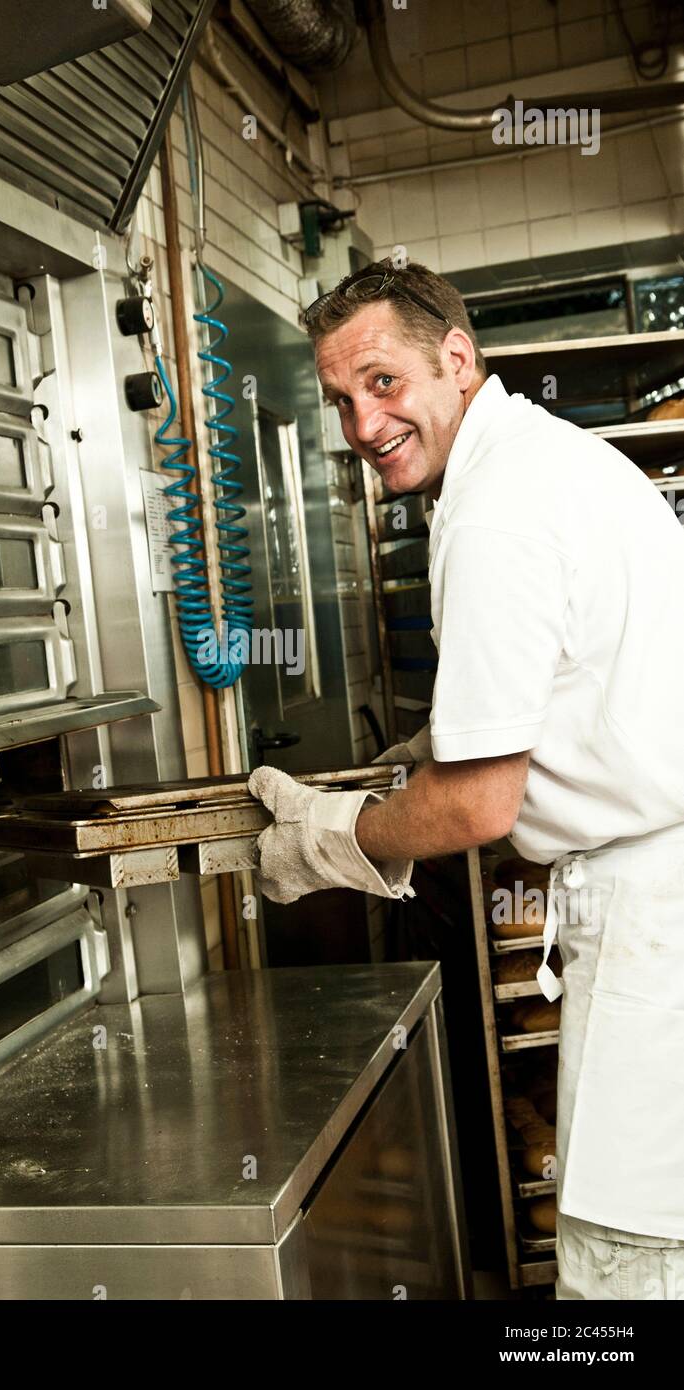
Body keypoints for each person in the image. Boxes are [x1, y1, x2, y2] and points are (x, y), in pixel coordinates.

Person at [247, 258, 684, 1300]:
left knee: (622, 1272)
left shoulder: (490, 508)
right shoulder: (554, 460)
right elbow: (575, 685)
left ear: (455, 358)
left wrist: (331, 838)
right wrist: (431, 752)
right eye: (343, 399)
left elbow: (479, 804)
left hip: (652, 929)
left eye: (384, 382)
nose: (363, 421)